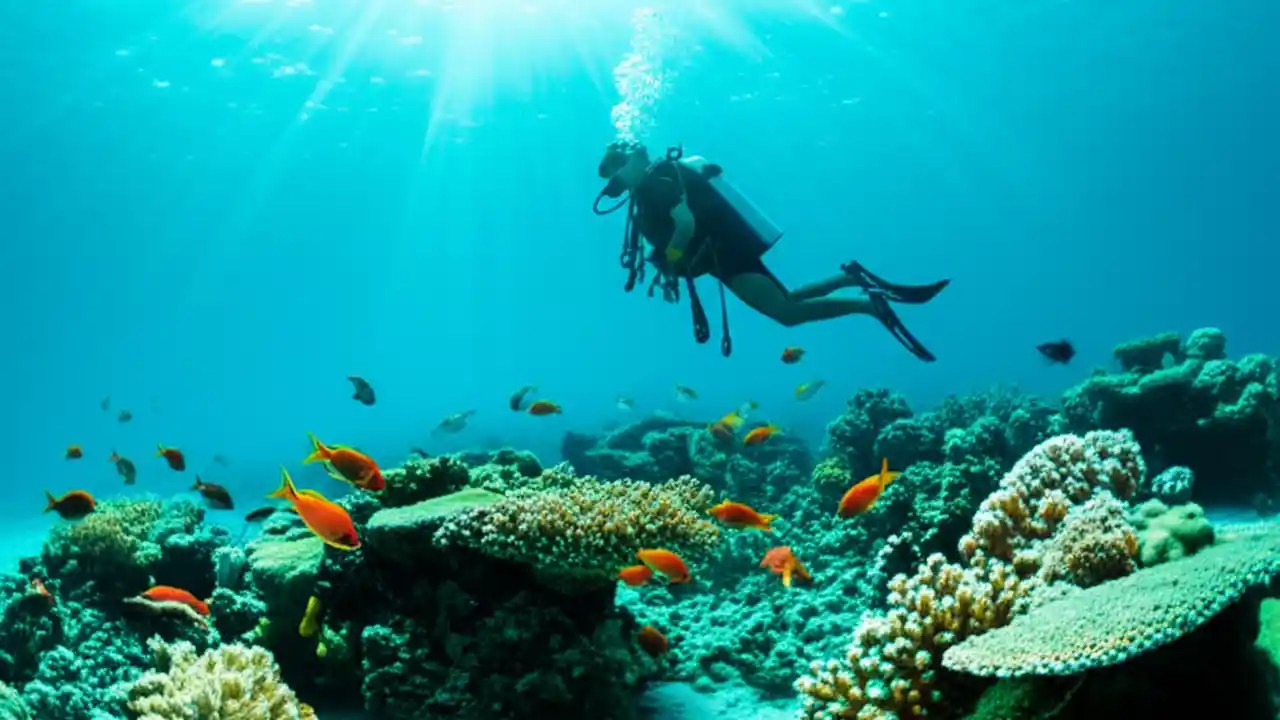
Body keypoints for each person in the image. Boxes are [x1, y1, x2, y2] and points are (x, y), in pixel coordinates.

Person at [592, 140, 950, 361]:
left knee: (786, 313)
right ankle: (848, 277)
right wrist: (668, 267)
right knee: (789, 301)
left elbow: (684, 225)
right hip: (723, 254)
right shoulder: (651, 187)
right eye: (609, 171)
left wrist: (670, 264)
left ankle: (868, 305)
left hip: (726, 254)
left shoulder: (659, 182)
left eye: (614, 166)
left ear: (634, 158)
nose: (613, 177)